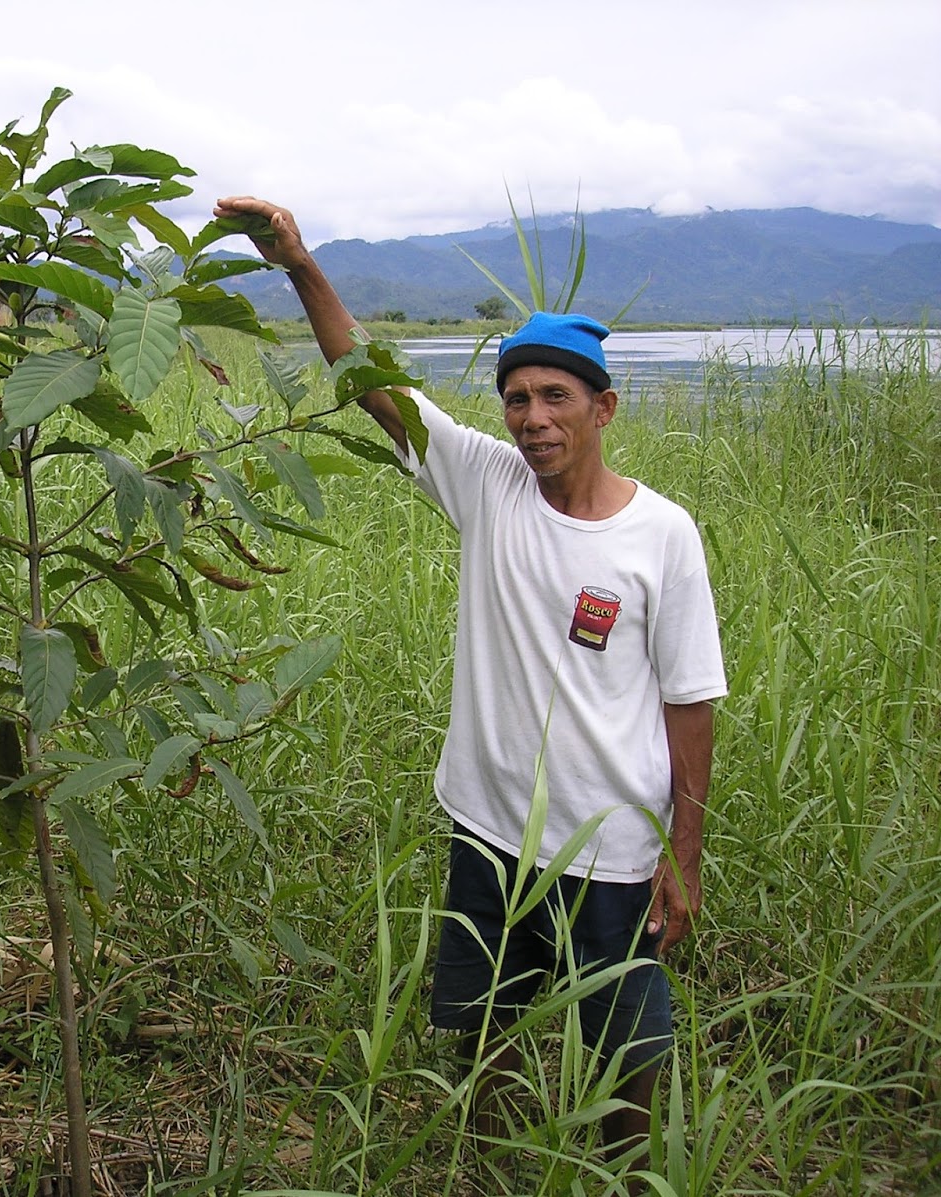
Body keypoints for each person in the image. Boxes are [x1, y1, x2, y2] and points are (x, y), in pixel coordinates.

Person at [215, 197, 726, 1176]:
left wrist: (681, 856)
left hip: (610, 849)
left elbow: (689, 704)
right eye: (517, 398)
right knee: (481, 1031)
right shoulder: (484, 481)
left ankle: (625, 1180)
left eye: (555, 399)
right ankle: (483, 1170)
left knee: (627, 1055)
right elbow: (370, 380)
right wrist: (298, 264)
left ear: (602, 408)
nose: (532, 420)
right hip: (490, 832)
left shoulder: (661, 535)